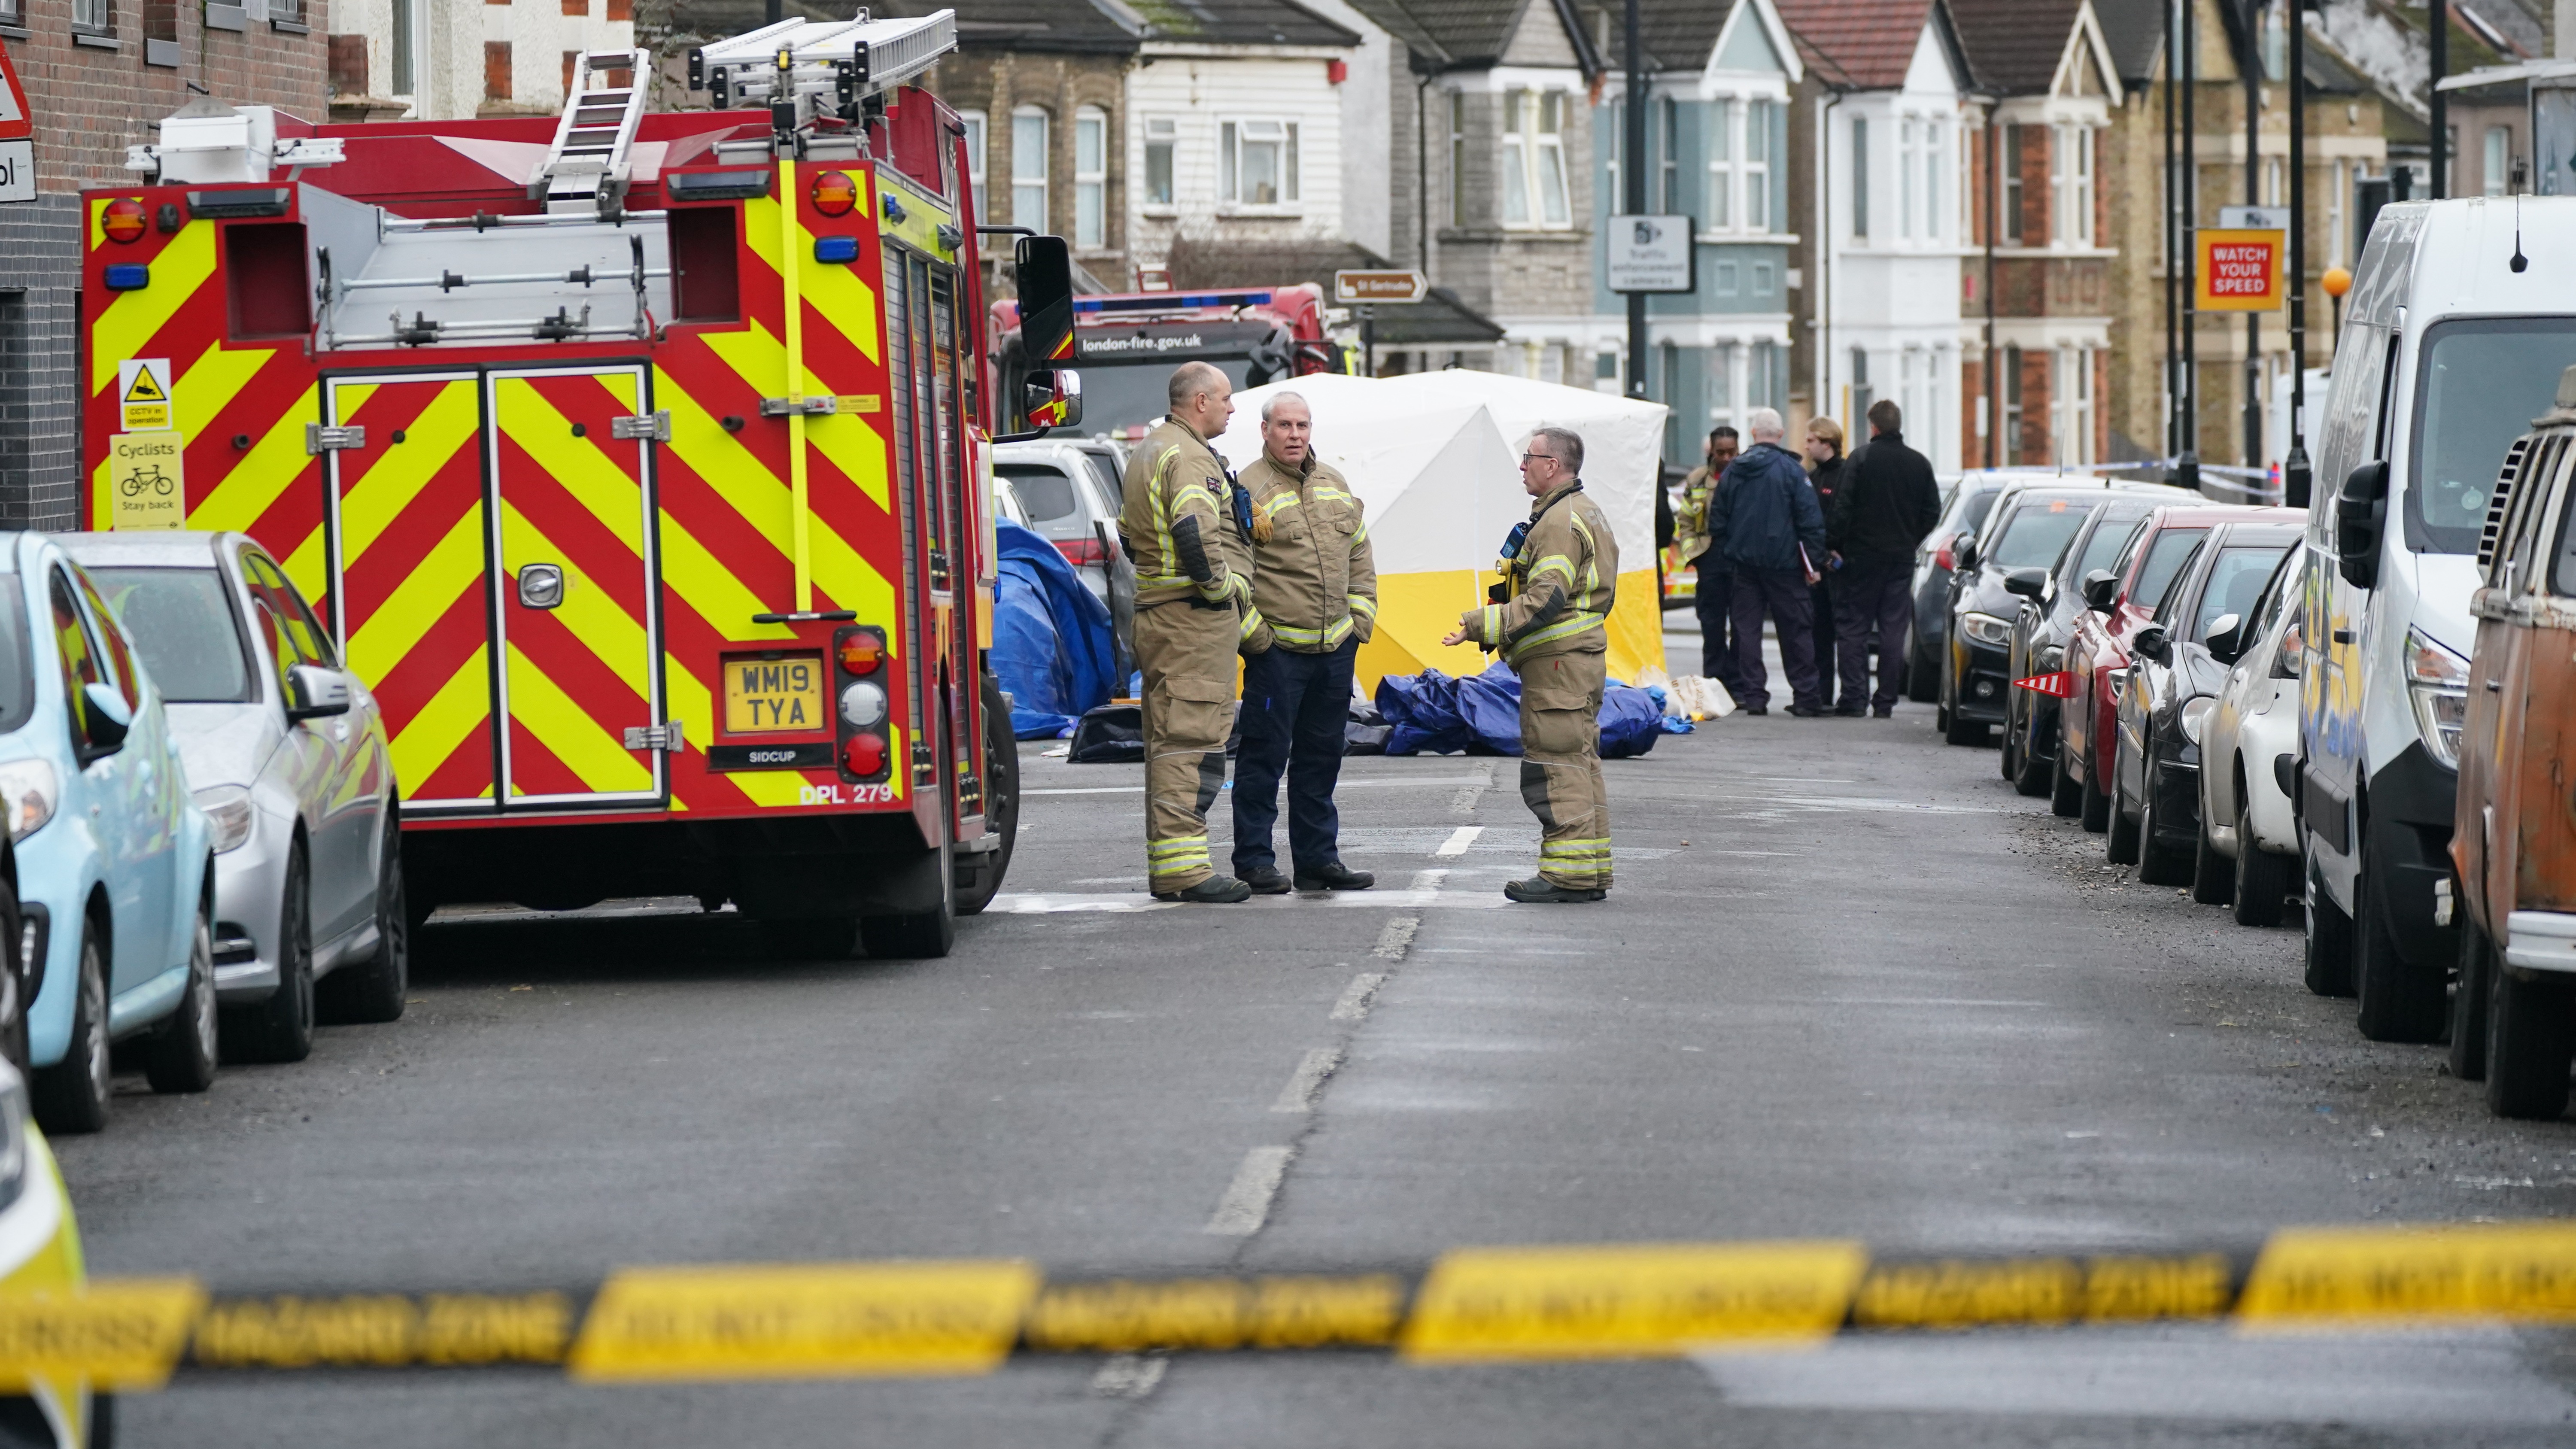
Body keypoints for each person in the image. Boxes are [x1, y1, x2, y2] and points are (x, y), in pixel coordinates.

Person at [1441, 426, 1618, 903]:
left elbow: (1545, 599)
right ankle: (1589, 870)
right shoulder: (1586, 512)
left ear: (1553, 465)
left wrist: (1480, 625)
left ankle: (1567, 876)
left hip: (1558, 666)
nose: (1523, 466)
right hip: (1579, 661)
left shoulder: (1559, 522)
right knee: (1580, 762)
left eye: (1529, 457)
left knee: (1555, 765)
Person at [1118, 361, 1270, 903]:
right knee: (1192, 743)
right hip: (1191, 623)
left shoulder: (1151, 449)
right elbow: (1193, 531)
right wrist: (1221, 589)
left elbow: (1129, 536)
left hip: (1162, 617)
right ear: (1200, 401)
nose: (1233, 408)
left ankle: (1173, 866)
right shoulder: (1189, 457)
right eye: (1227, 399)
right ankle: (1186, 870)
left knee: (1168, 743)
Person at [1231, 392, 1377, 894]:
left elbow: (1359, 550)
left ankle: (1318, 862)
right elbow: (1235, 569)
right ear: (1265, 430)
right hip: (1278, 655)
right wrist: (1258, 641)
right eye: (1285, 426)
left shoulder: (1334, 482)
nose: (1295, 434)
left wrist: (1360, 620)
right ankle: (1254, 861)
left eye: (1303, 425)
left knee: (1322, 758)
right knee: (1263, 758)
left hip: (1335, 650)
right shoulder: (1247, 488)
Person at [1706, 407, 1828, 717]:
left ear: (1753, 435)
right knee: (1796, 630)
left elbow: (1717, 520)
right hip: (1785, 565)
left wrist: (1732, 549)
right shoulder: (1792, 471)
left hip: (1744, 566)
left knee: (1747, 631)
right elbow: (1810, 520)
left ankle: (1754, 696)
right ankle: (1806, 696)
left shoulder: (1734, 470)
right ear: (1782, 435)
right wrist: (1812, 563)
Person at [1828, 398, 1942, 718]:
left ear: (1873, 427)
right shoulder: (1919, 463)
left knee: (1854, 628)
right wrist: (1911, 537)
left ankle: (1854, 697)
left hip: (1860, 558)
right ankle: (1885, 700)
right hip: (1900, 558)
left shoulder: (1861, 459)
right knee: (1893, 629)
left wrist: (1835, 544)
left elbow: (1841, 508)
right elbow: (1932, 511)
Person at [1672, 427, 1746, 695]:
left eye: (1732, 452)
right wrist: (1696, 555)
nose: (1727, 458)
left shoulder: (1748, 477)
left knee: (1741, 626)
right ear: (1711, 452)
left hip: (1740, 560)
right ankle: (1714, 685)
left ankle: (1738, 686)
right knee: (1712, 625)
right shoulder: (1698, 480)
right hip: (1710, 559)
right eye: (1721, 452)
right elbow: (1686, 521)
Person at [1803, 417, 1846, 704]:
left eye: (1811, 441)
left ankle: (1848, 695)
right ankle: (1823, 694)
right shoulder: (1813, 477)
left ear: (1826, 442)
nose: (1806, 446)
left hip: (1839, 568)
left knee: (1843, 633)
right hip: (1817, 567)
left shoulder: (1844, 475)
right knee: (1819, 633)